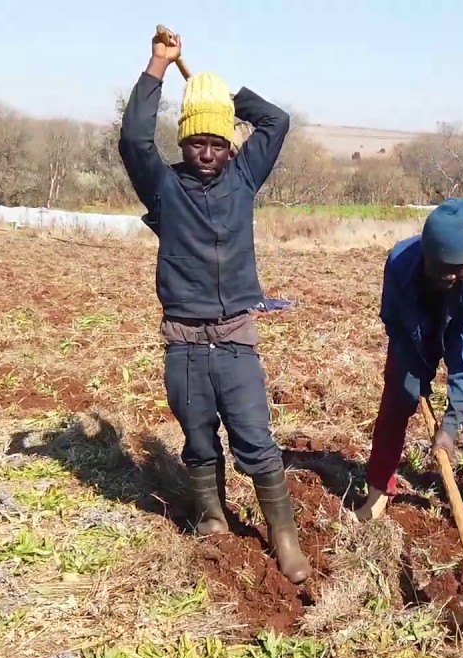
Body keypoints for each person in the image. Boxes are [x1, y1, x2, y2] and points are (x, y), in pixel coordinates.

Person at [117, 29, 311, 584]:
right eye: (196, 142)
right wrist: (158, 65)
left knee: (254, 438)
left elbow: (276, 121)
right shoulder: (164, 189)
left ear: (230, 145)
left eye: (216, 142)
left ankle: (283, 535)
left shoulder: (244, 178)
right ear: (182, 145)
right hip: (183, 343)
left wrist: (227, 99)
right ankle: (210, 515)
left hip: (234, 341)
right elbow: (133, 139)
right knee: (198, 438)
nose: (206, 153)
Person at [351, 198, 463, 563]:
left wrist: (450, 425)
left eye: (459, 267)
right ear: (426, 253)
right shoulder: (400, 262)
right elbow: (392, 317)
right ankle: (377, 494)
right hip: (414, 331)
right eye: (443, 266)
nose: (452, 274)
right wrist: (414, 373)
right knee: (396, 405)